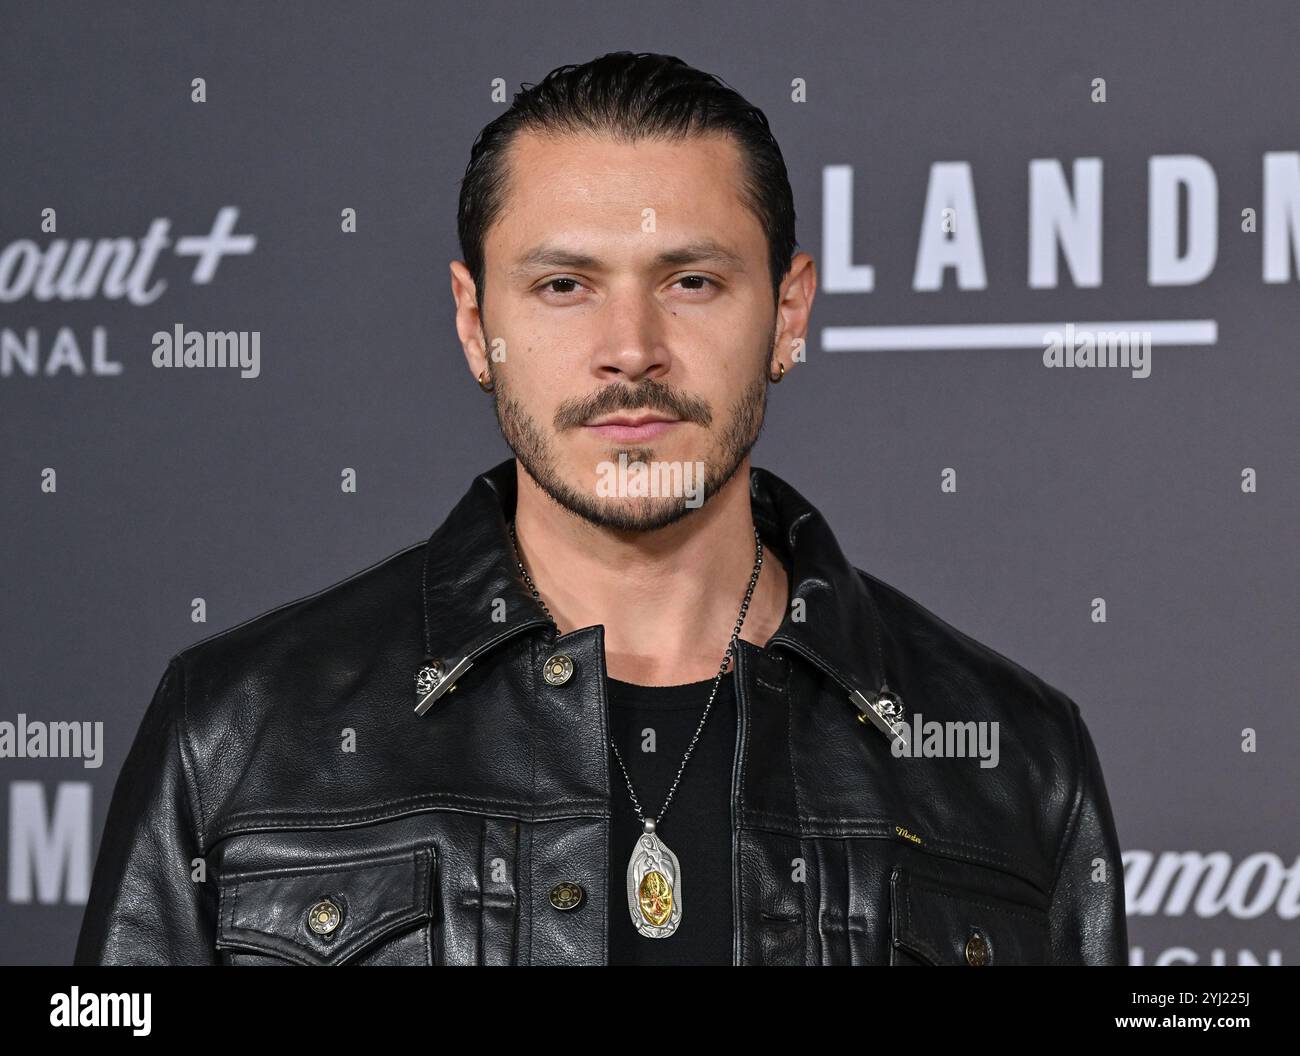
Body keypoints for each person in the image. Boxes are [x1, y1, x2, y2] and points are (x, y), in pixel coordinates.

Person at [75, 51, 1127, 966]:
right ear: (472, 320)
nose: (631, 348)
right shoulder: (235, 732)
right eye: (564, 286)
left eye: (692, 283)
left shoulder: (1015, 755)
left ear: (789, 313)